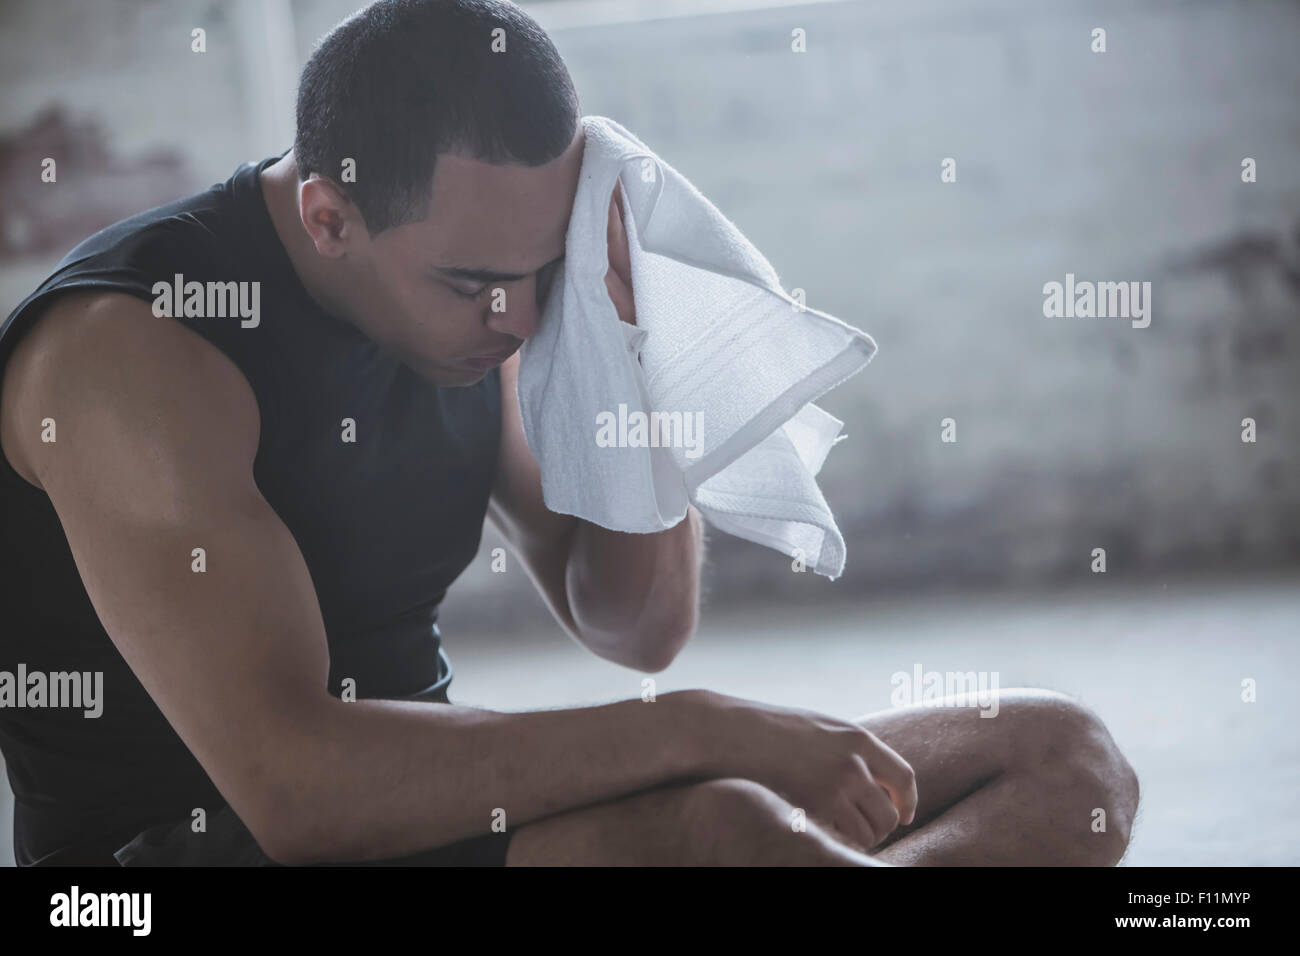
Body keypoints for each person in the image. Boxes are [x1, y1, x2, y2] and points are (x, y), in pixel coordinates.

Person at [0, 0, 1138, 866]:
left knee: (1061, 756)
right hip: (166, 858)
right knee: (731, 826)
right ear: (329, 217)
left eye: (543, 276)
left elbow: (633, 621)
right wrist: (706, 730)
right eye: (478, 283)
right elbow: (297, 788)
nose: (520, 320)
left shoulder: (471, 308)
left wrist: (629, 344)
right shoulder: (134, 355)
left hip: (435, 817)